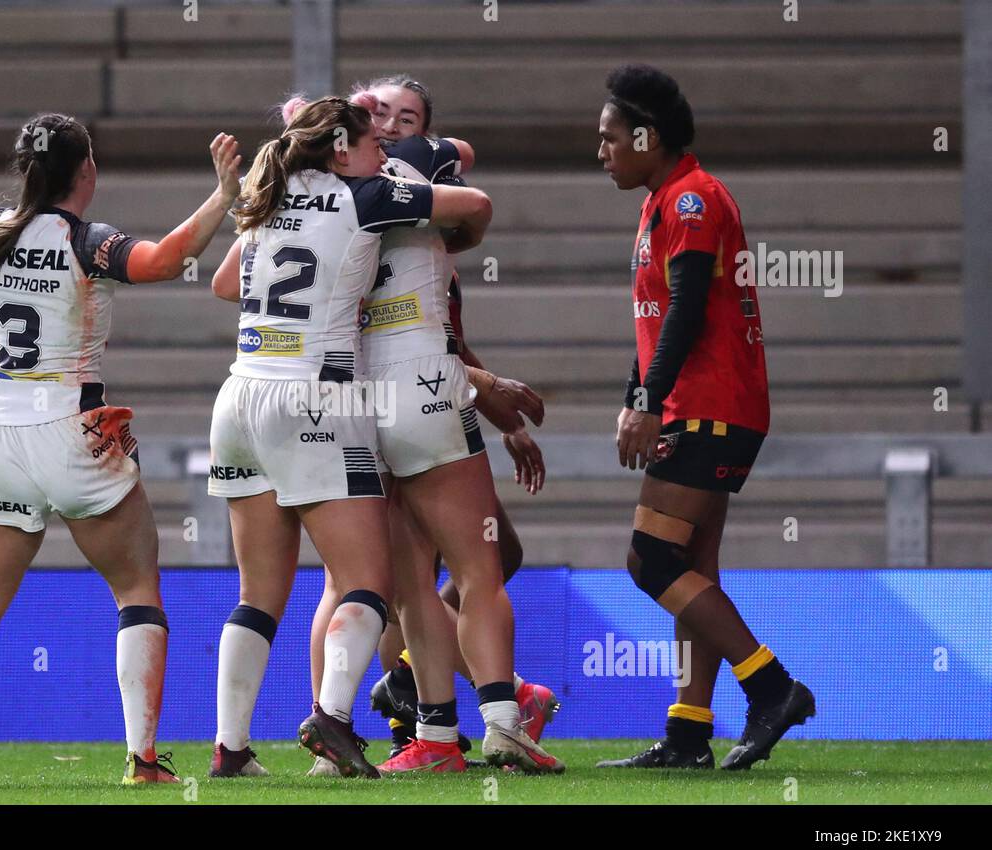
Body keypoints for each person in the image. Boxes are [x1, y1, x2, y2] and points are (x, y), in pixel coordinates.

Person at [0, 92, 241, 784]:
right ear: (85, 171)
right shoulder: (88, 241)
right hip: (73, 428)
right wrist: (222, 196)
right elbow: (161, 260)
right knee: (137, 590)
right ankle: (143, 760)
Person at [205, 96, 493, 779]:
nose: (382, 156)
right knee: (369, 579)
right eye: (372, 147)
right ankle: (333, 718)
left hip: (240, 396)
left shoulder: (270, 197)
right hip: (318, 394)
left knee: (258, 594)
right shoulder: (367, 195)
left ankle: (231, 750)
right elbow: (474, 202)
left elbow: (223, 284)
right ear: (341, 151)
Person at [307, 77, 559, 772]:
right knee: (478, 568)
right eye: (378, 114)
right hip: (422, 377)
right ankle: (506, 719)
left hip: (353, 391)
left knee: (404, 581)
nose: (389, 125)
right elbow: (471, 185)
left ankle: (432, 738)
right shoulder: (417, 163)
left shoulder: (318, 188)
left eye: (403, 115)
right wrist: (459, 226)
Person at [589, 66, 815, 771]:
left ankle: (772, 686)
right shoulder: (667, 198)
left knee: (651, 561)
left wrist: (649, 403)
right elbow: (656, 322)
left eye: (611, 137)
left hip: (708, 405)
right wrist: (639, 393)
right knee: (692, 566)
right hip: (709, 403)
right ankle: (689, 731)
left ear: (648, 137)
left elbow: (687, 310)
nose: (601, 151)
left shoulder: (691, 201)